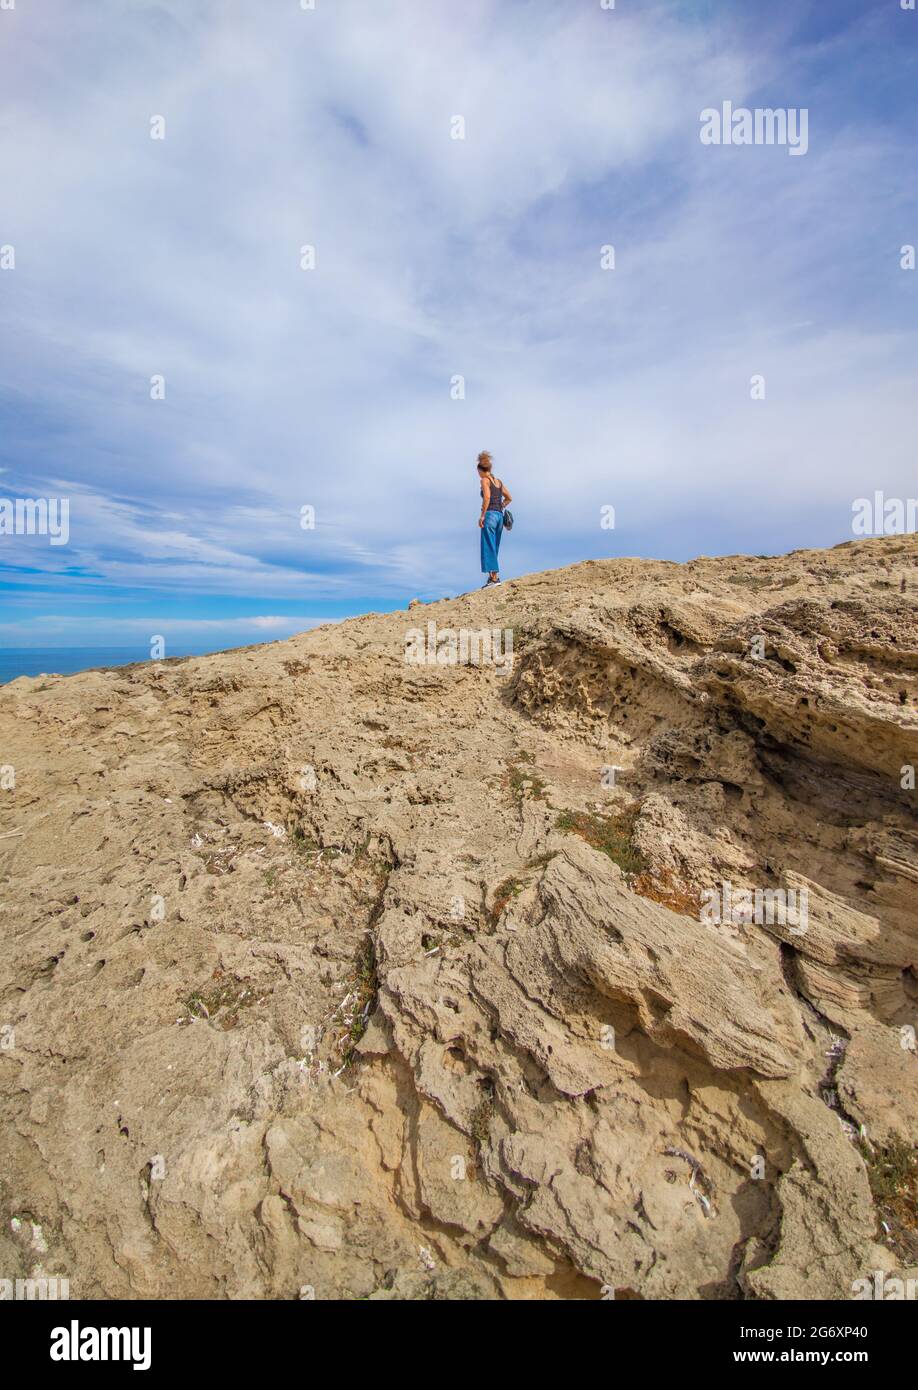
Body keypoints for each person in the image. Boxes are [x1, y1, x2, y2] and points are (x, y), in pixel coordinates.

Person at [477, 450, 512, 586]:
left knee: (488, 546)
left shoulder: (485, 480)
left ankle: (494, 578)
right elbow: (509, 497)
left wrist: (482, 515)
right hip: (499, 517)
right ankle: (493, 577)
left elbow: (486, 497)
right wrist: (501, 506)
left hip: (490, 515)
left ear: (481, 470)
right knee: (494, 546)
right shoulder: (498, 482)